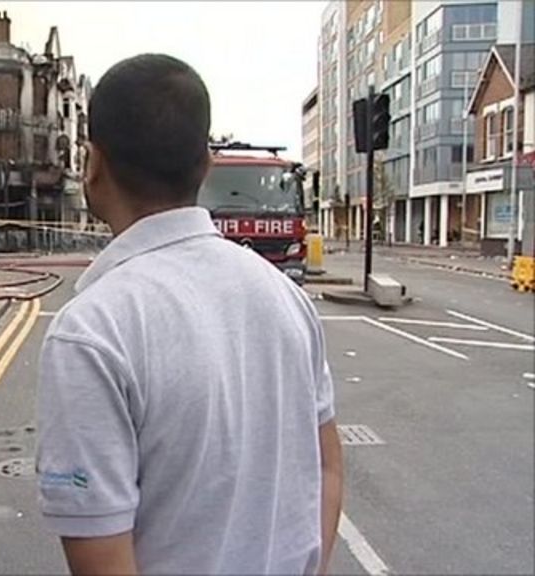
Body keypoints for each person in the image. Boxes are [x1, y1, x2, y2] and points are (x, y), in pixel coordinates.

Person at [37, 54, 343, 576]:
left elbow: (101, 553)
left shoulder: (91, 331)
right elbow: (328, 466)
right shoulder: (285, 297)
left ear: (91, 163)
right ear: (205, 164)